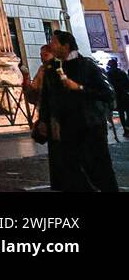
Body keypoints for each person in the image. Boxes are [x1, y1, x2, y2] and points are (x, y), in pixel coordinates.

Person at [39, 30, 118, 192]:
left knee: (99, 170)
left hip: (90, 128)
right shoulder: (51, 68)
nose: (50, 45)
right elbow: (47, 97)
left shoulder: (87, 65)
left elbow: (107, 93)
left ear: (65, 45)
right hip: (66, 131)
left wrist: (79, 88)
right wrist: (43, 120)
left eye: (54, 42)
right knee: (72, 173)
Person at [107, 57, 129, 139]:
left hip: (117, 96)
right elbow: (127, 84)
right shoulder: (122, 73)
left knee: (121, 113)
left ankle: (125, 130)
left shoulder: (109, 74)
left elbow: (109, 86)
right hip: (125, 95)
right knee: (127, 111)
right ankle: (127, 127)